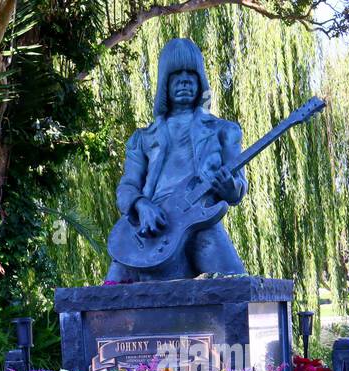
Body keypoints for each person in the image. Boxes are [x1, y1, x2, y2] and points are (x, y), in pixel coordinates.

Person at [106, 38, 248, 283]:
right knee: (108, 299)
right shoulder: (142, 138)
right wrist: (142, 205)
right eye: (176, 74)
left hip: (201, 223)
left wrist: (230, 188)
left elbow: (238, 189)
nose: (184, 80)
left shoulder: (224, 131)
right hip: (152, 229)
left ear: (200, 80)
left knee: (236, 288)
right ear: (165, 82)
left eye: (191, 74)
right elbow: (127, 187)